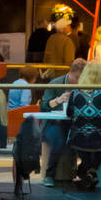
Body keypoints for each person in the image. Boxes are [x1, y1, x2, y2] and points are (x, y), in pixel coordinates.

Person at [67, 60, 101, 188]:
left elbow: (69, 113)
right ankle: (91, 172)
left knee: (83, 144)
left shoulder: (75, 93)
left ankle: (88, 173)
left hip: (78, 139)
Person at [40, 58, 85, 186]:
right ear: (70, 72)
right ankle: (50, 175)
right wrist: (58, 100)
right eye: (77, 77)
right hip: (54, 123)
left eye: (81, 78)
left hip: (75, 123)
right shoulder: (56, 83)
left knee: (90, 138)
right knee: (59, 140)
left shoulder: (85, 86)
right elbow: (43, 106)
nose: (79, 81)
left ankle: (84, 172)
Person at [43, 4, 76, 71]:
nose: (70, 27)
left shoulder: (51, 38)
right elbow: (69, 62)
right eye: (68, 25)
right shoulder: (67, 41)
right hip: (62, 76)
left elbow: (46, 59)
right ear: (64, 27)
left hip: (51, 75)